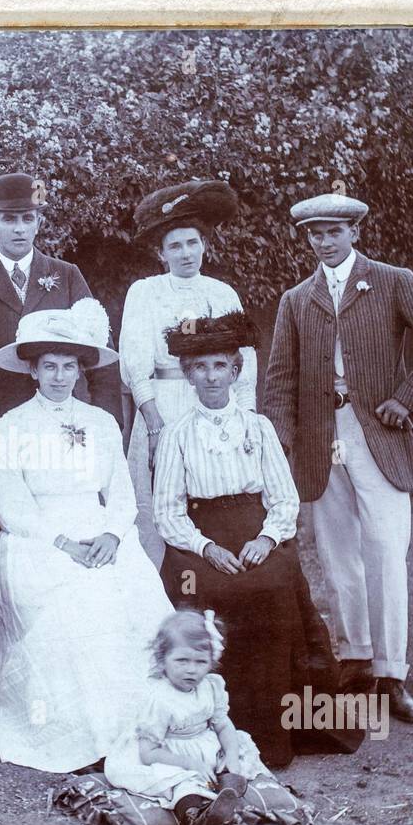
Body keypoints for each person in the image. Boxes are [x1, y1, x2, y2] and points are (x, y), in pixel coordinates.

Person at [263, 193, 413, 722]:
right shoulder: (296, 300)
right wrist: (281, 445)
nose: (324, 241)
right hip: (319, 440)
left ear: (354, 231)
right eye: (315, 234)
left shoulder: (393, 280)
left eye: (334, 231)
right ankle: (353, 661)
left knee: (384, 552)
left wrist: (407, 399)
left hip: (378, 434)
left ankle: (391, 671)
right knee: (337, 557)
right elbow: (280, 381)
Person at [153, 310, 353, 768]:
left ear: (235, 371)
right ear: (187, 374)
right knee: (212, 591)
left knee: (274, 587)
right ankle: (208, 728)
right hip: (199, 539)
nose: (210, 376)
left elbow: (285, 499)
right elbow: (167, 511)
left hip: (256, 532)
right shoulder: (176, 435)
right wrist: (206, 547)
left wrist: (266, 540)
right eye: (200, 367)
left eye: (220, 366)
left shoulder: (259, 428)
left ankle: (274, 734)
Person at [0, 298, 175, 773]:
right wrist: (63, 544)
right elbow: (12, 506)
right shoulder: (13, 426)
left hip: (100, 532)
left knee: (135, 597)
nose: (60, 376)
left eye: (69, 366)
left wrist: (112, 534)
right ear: (32, 370)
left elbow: (123, 495)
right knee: (78, 604)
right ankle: (84, 730)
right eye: (49, 366)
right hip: (35, 540)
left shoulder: (101, 422)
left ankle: (142, 727)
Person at [119, 180, 257, 565]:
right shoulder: (144, 292)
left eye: (192, 242)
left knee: (212, 497)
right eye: (175, 246)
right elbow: (134, 363)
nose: (185, 253)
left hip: (215, 408)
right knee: (156, 506)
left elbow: (244, 367)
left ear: (205, 245)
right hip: (162, 405)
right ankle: (160, 603)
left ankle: (213, 594)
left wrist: (246, 422)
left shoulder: (222, 293)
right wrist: (154, 424)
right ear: (161, 254)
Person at [0, 171, 122, 458]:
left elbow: (101, 354)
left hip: (67, 418)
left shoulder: (67, 275)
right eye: (9, 219)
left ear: (38, 223)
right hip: (1, 421)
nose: (19, 229)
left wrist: (105, 419)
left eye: (27, 219)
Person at [104, 610, 274, 825]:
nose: (191, 670)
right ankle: (195, 815)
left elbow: (222, 724)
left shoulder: (211, 686)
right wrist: (191, 764)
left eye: (201, 661)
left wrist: (231, 756)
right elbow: (148, 754)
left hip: (205, 746)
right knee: (182, 783)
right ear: (162, 659)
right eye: (182, 660)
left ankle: (227, 789)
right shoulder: (159, 699)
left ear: (211, 661)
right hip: (169, 754)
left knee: (237, 753)